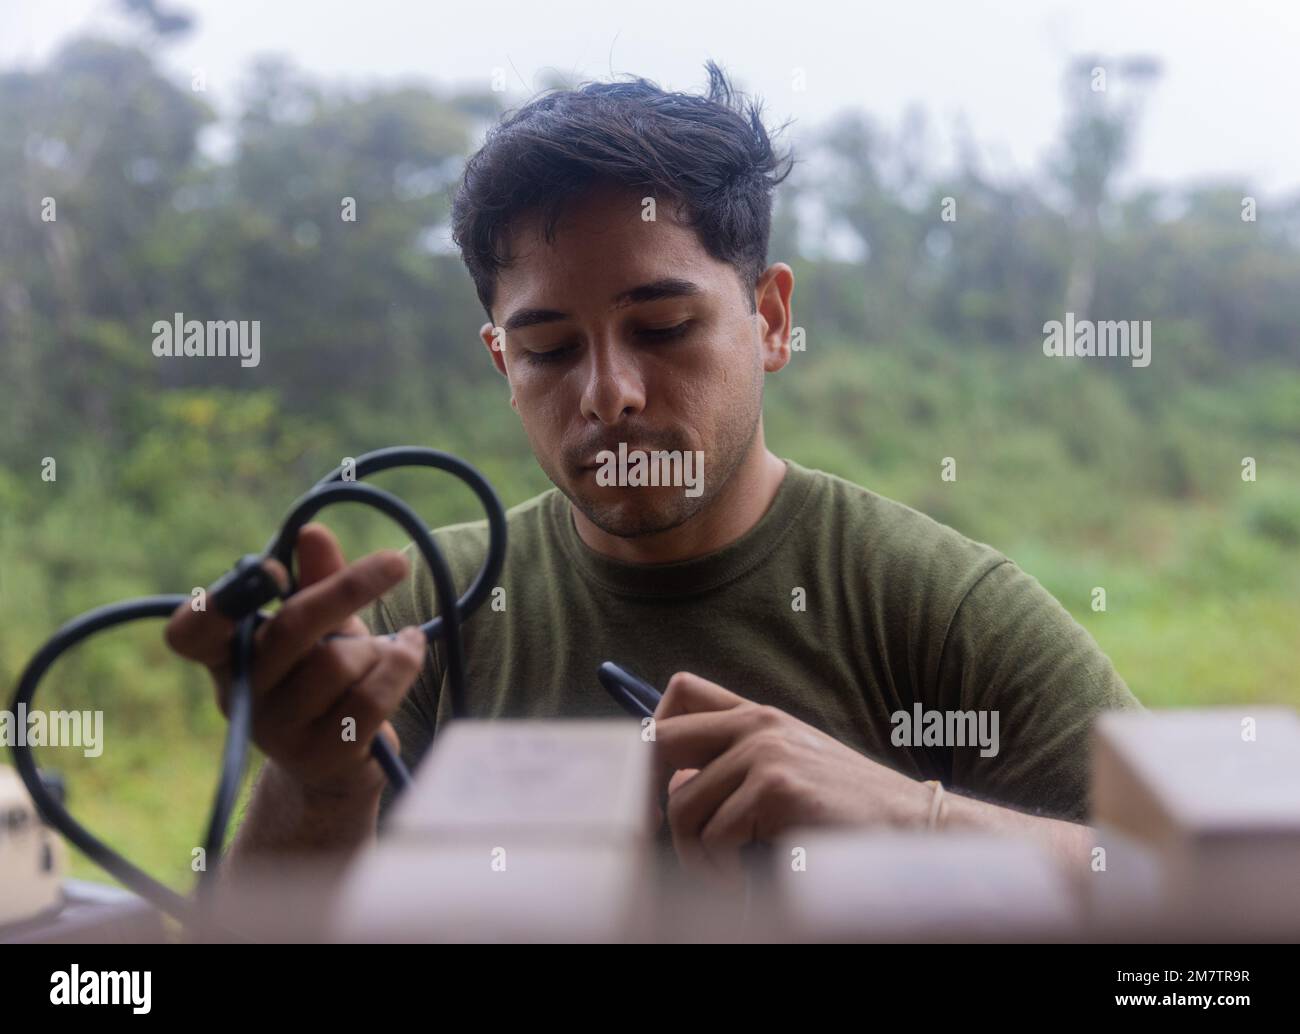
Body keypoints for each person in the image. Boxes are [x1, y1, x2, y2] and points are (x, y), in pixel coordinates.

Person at [164, 61, 1141, 890]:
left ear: (768, 318)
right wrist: (318, 780)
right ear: (502, 365)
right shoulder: (420, 618)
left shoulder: (936, 608)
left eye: (663, 328)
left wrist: (917, 822)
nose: (611, 393)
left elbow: (1223, 900)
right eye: (547, 349)